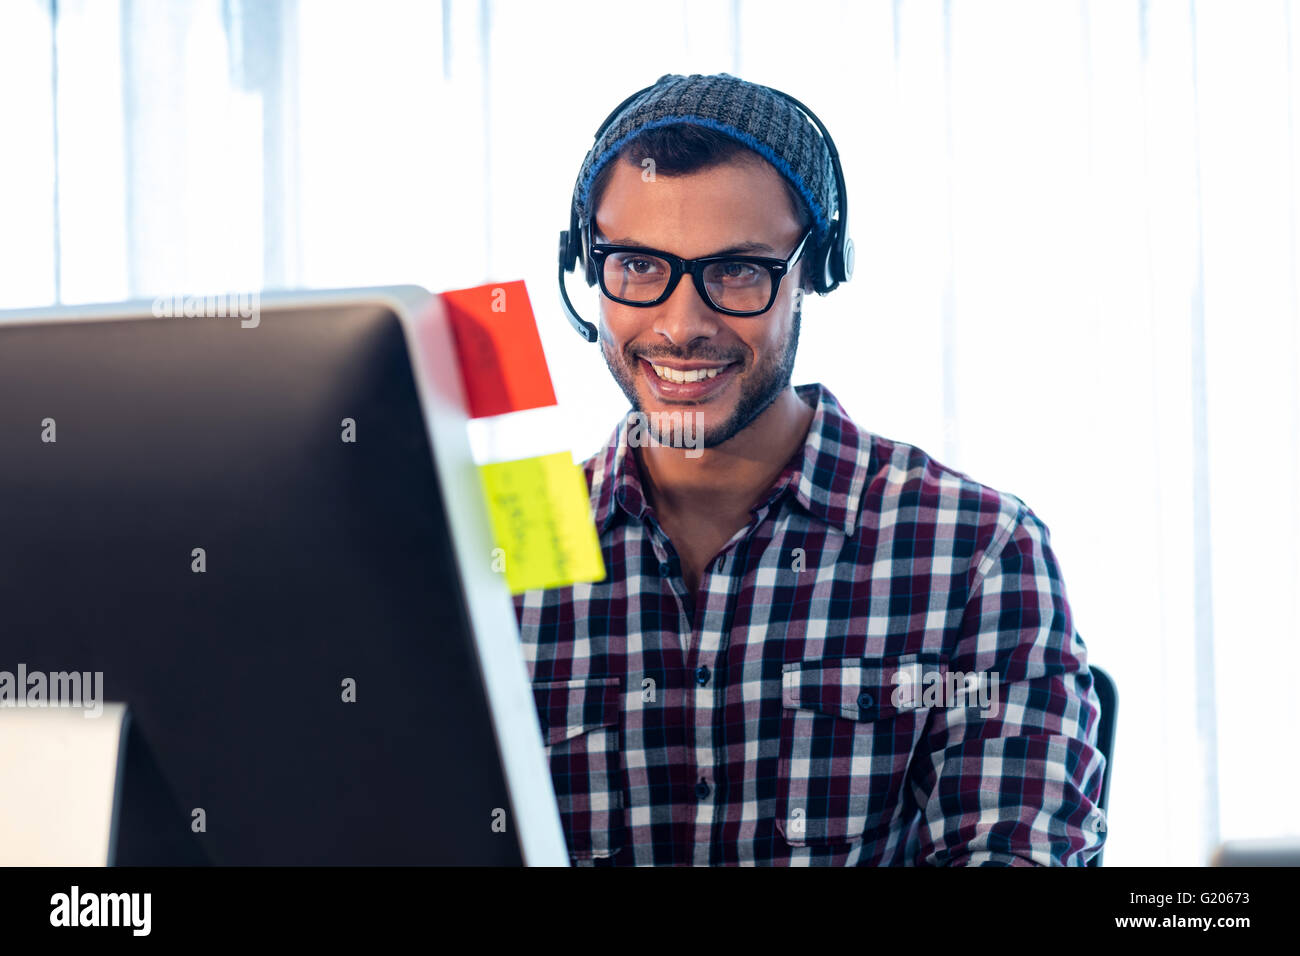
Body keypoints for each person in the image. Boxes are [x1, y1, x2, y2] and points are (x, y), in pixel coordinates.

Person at [514, 72, 1107, 865]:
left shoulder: (977, 552)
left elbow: (1015, 850)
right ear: (586, 269)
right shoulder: (494, 545)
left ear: (815, 272)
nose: (681, 324)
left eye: (738, 271)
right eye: (638, 266)